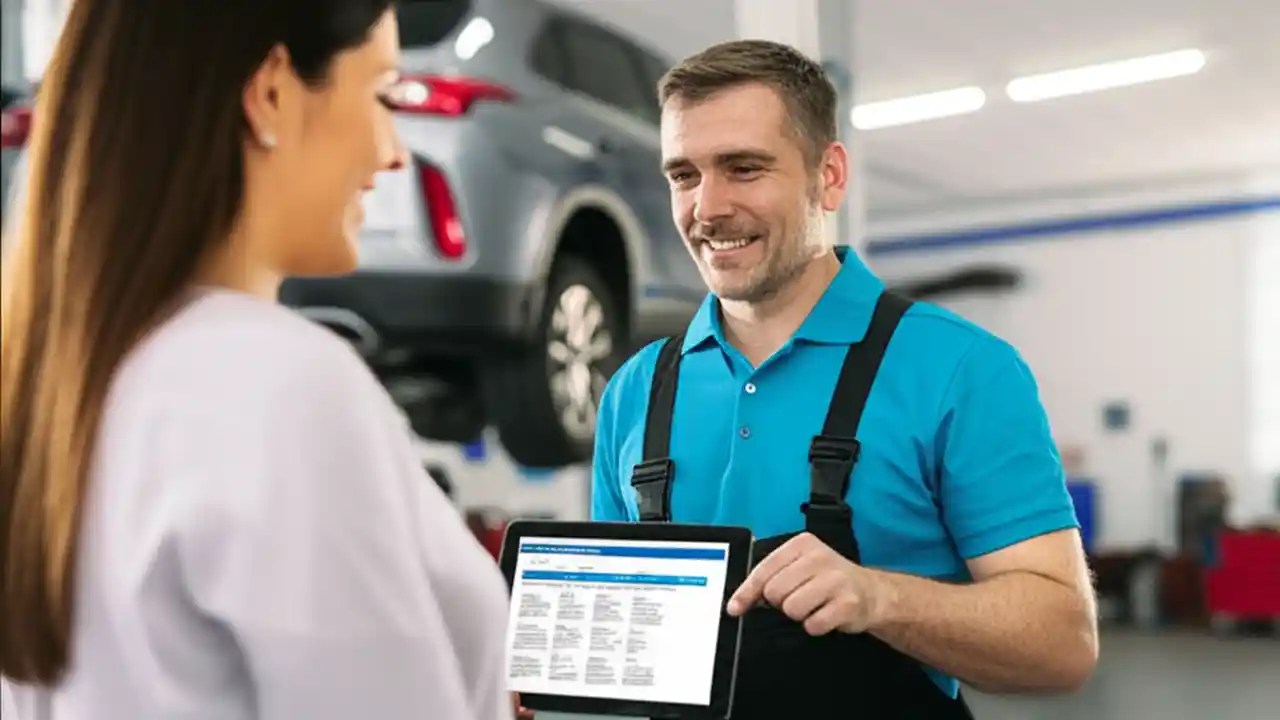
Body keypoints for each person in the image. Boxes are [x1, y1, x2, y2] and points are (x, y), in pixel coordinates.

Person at [0, 2, 516, 718]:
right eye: (383, 96)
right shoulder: (279, 385)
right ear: (271, 90)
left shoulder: (55, 386)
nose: (393, 150)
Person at [591, 39, 1099, 718]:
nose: (706, 208)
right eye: (684, 175)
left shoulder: (960, 370)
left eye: (744, 168)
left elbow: (1063, 644)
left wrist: (879, 598)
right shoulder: (635, 390)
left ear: (828, 176)